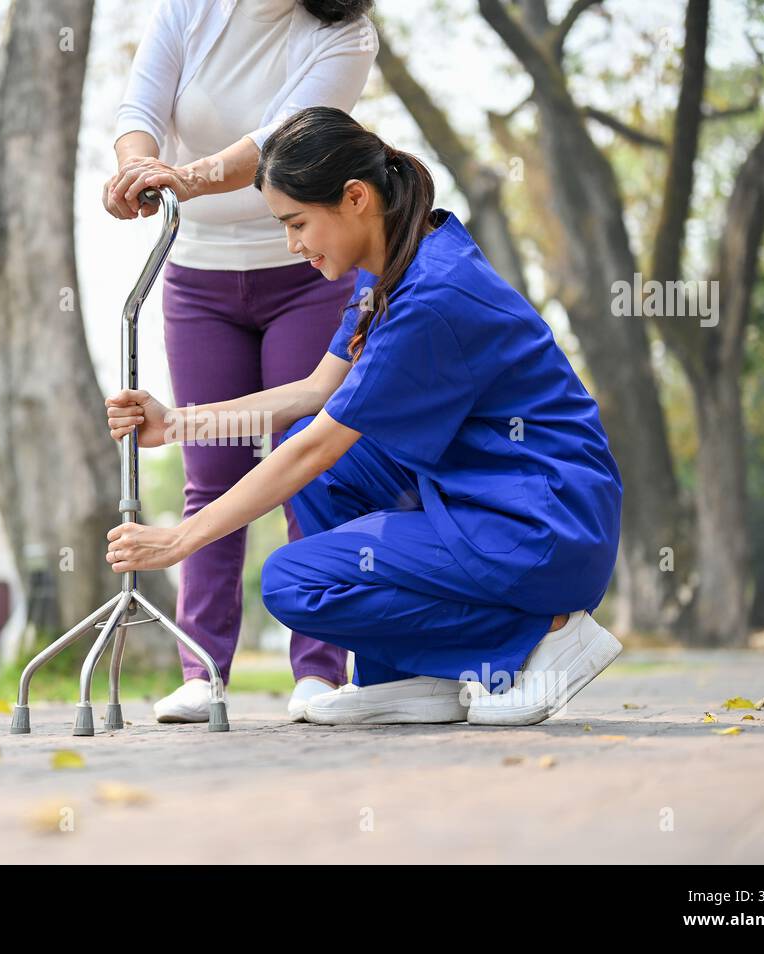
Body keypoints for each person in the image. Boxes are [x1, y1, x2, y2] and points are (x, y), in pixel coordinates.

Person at [103, 106, 625, 725]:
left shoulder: (432, 295)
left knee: (296, 582)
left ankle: (545, 633)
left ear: (354, 197)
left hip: (542, 524)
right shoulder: (392, 268)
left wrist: (179, 539)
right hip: (486, 502)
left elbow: (314, 447)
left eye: (297, 224)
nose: (292, 246)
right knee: (322, 459)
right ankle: (411, 676)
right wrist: (180, 423)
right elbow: (312, 395)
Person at [105, 0, 378, 723]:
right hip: (195, 273)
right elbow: (142, 105)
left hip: (307, 270)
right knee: (212, 469)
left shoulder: (344, 36)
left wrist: (182, 180)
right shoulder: (189, 10)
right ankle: (202, 673)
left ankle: (319, 671)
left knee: (311, 465)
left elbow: (277, 145)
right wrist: (137, 168)